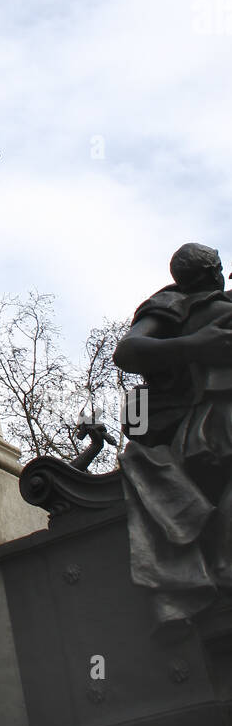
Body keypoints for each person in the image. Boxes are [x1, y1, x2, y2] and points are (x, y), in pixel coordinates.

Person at [114, 243, 232, 630]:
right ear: (213, 270)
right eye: (217, 268)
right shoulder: (175, 303)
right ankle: (223, 569)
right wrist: (193, 346)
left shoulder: (218, 306)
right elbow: (128, 351)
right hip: (208, 414)